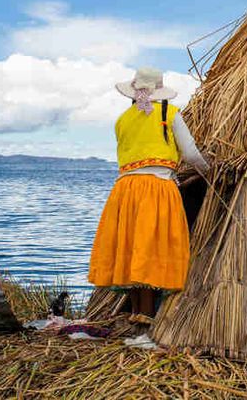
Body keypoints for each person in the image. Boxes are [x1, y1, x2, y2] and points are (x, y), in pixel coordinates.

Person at [88, 67, 209, 323]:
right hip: (156, 187)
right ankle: (146, 314)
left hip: (125, 189)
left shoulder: (122, 120)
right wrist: (208, 171)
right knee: (152, 245)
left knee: (132, 245)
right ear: (160, 91)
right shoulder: (170, 114)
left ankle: (135, 312)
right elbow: (190, 154)